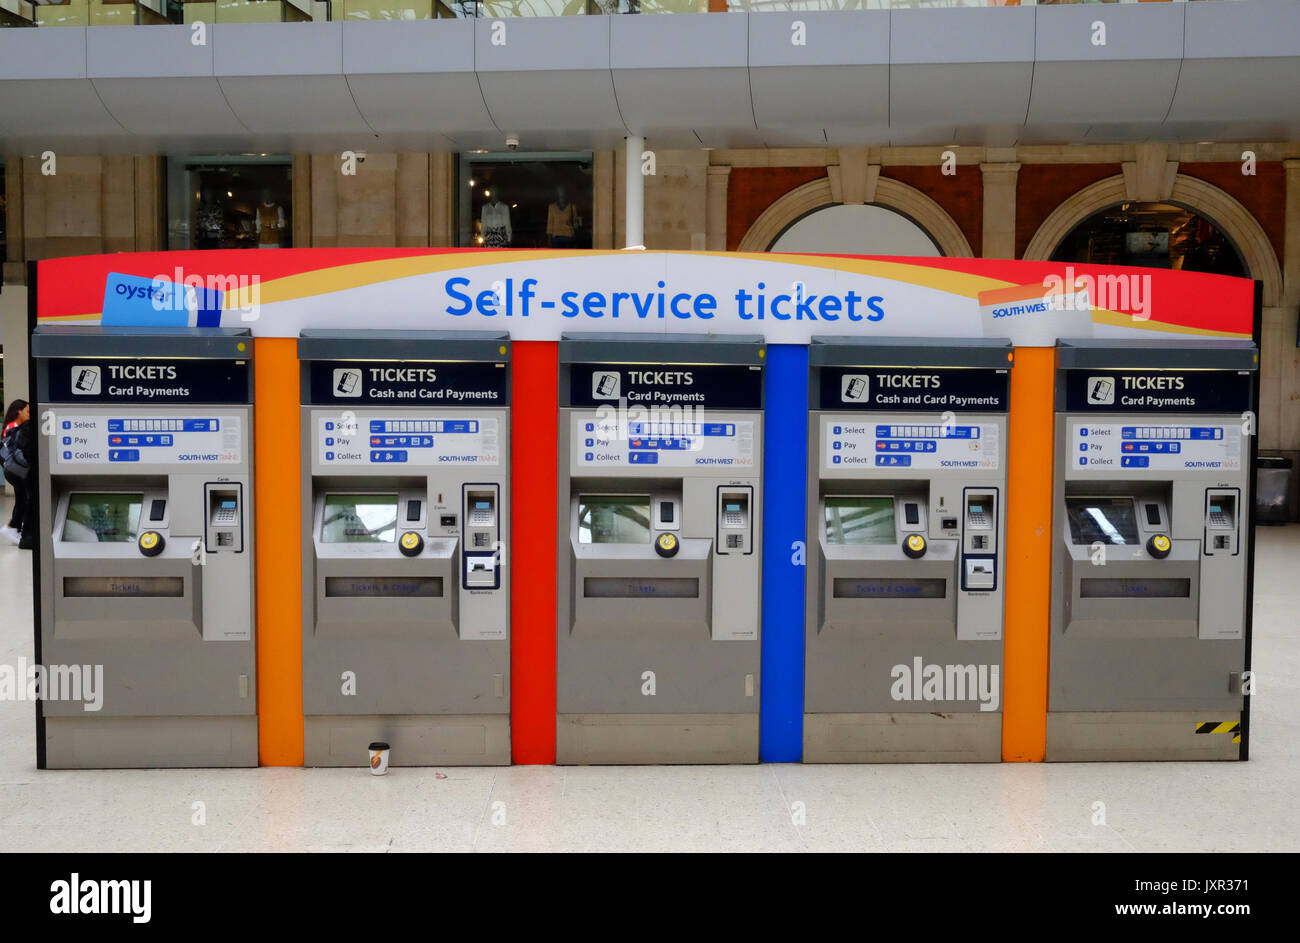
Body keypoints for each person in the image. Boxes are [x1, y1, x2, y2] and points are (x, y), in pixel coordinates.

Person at [1, 399, 30, 545]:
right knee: (23, 499)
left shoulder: (12, 426)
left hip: (14, 470)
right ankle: (13, 527)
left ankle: (15, 529)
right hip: (18, 470)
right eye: (27, 411)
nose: (29, 415)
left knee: (21, 499)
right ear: (19, 411)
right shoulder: (14, 427)